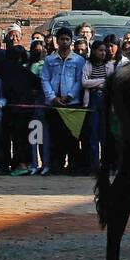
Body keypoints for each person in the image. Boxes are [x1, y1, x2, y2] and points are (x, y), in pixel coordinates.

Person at [40, 28, 85, 175]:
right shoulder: (49, 60)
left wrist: (70, 96)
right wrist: (52, 97)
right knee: (55, 136)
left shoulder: (79, 60)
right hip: (53, 103)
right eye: (62, 39)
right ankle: (56, 166)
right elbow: (45, 79)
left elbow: (80, 80)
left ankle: (74, 166)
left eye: (67, 39)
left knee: (72, 136)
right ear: (57, 41)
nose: (64, 42)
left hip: (72, 104)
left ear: (71, 41)